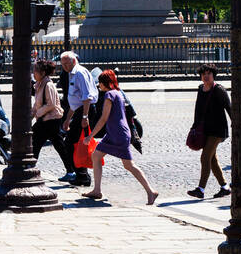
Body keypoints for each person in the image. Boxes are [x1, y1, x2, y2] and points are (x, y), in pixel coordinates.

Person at [84, 70, 158, 205]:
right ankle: (97, 190)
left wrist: (90, 136)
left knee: (129, 165)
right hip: (116, 132)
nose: (98, 85)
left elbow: (104, 118)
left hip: (117, 134)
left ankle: (150, 191)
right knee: (96, 156)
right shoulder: (118, 92)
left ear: (104, 83)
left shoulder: (108, 95)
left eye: (99, 82)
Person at [186, 63, 231, 199]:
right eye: (203, 74)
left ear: (213, 75)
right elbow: (198, 109)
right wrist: (194, 126)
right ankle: (224, 187)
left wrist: (236, 124)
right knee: (212, 159)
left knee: (205, 157)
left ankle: (201, 189)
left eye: (208, 74)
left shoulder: (219, 90)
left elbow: (229, 108)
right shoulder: (200, 89)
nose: (206, 76)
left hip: (217, 130)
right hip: (204, 129)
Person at [60, 51, 98, 186]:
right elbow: (75, 101)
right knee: (75, 144)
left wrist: (85, 116)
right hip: (79, 111)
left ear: (74, 61)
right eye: (62, 64)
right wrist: (67, 119)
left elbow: (86, 97)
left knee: (73, 143)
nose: (64, 66)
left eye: (67, 63)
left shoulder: (80, 73)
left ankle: (82, 176)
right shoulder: (72, 73)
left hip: (85, 111)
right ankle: (82, 175)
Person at [31, 59, 71, 174]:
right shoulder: (39, 85)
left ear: (43, 73)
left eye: (35, 71)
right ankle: (70, 170)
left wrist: (38, 113)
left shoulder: (48, 85)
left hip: (51, 120)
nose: (34, 73)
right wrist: (31, 114)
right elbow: (37, 103)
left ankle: (30, 166)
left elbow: (51, 104)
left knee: (36, 142)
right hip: (45, 119)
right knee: (58, 145)